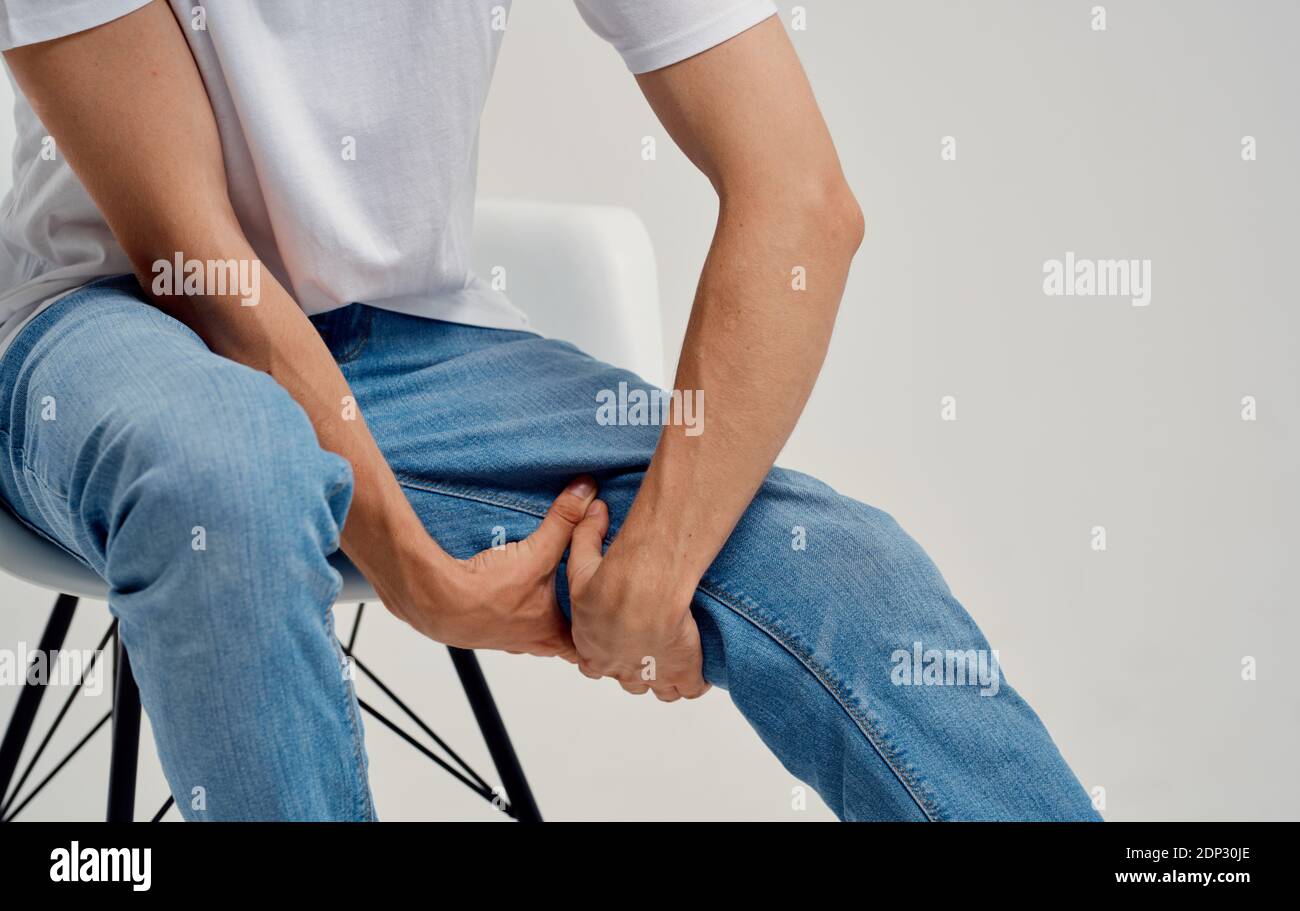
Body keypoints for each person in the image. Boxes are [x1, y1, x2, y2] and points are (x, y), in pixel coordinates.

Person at [0, 0, 1099, 821]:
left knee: (843, 566)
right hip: (105, 324)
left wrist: (659, 568)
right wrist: (418, 575)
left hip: (403, 355)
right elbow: (200, 266)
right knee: (229, 466)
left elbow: (802, 199)